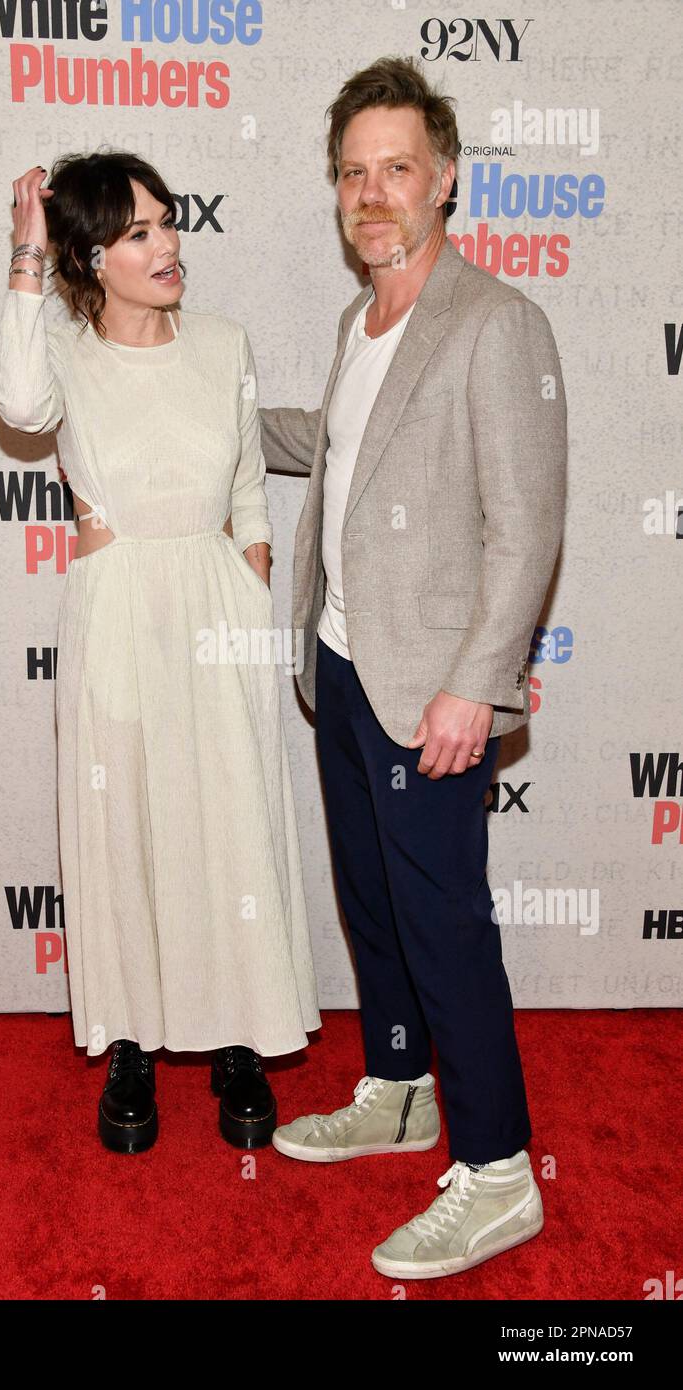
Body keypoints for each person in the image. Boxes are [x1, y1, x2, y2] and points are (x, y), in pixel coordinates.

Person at [259, 56, 567, 1279]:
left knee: (445, 925)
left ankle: (497, 1174)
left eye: (397, 168)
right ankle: (398, 1086)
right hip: (341, 667)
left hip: (429, 688)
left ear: (444, 181)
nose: (372, 192)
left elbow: (526, 524)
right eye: (352, 172)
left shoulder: (497, 323)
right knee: (375, 907)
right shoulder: (360, 319)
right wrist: (203, 405)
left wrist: (473, 683)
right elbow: (335, 444)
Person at [0, 150, 320, 1155]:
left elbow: (249, 488)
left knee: (230, 824)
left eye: (168, 222)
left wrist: (252, 575)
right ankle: (130, 1039)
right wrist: (23, 258)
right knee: (124, 821)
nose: (168, 243)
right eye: (138, 231)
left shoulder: (223, 341)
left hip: (217, 599)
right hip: (118, 603)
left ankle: (239, 1037)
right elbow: (17, 406)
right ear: (90, 255)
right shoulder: (62, 346)